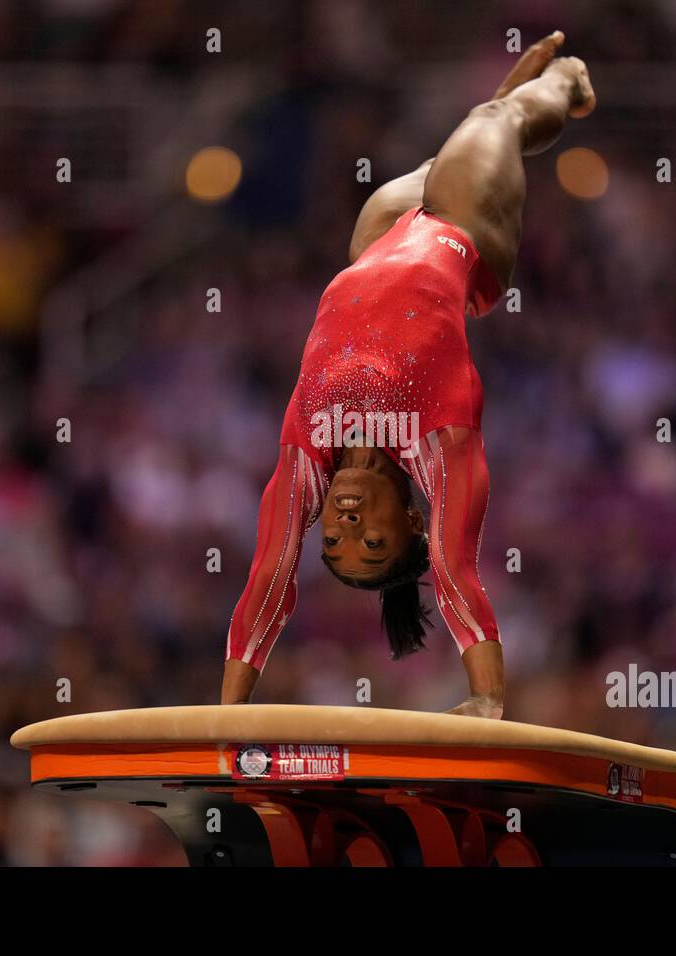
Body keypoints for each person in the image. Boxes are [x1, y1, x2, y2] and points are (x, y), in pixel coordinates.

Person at [221, 31, 595, 718]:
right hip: (464, 235)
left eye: (332, 541)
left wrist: (229, 713)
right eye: (372, 540)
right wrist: (486, 696)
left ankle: (508, 98)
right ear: (413, 526)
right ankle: (563, 85)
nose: (347, 522)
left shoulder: (309, 451)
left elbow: (269, 578)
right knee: (491, 127)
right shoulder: (438, 441)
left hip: (372, 244)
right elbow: (456, 574)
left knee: (468, 138)